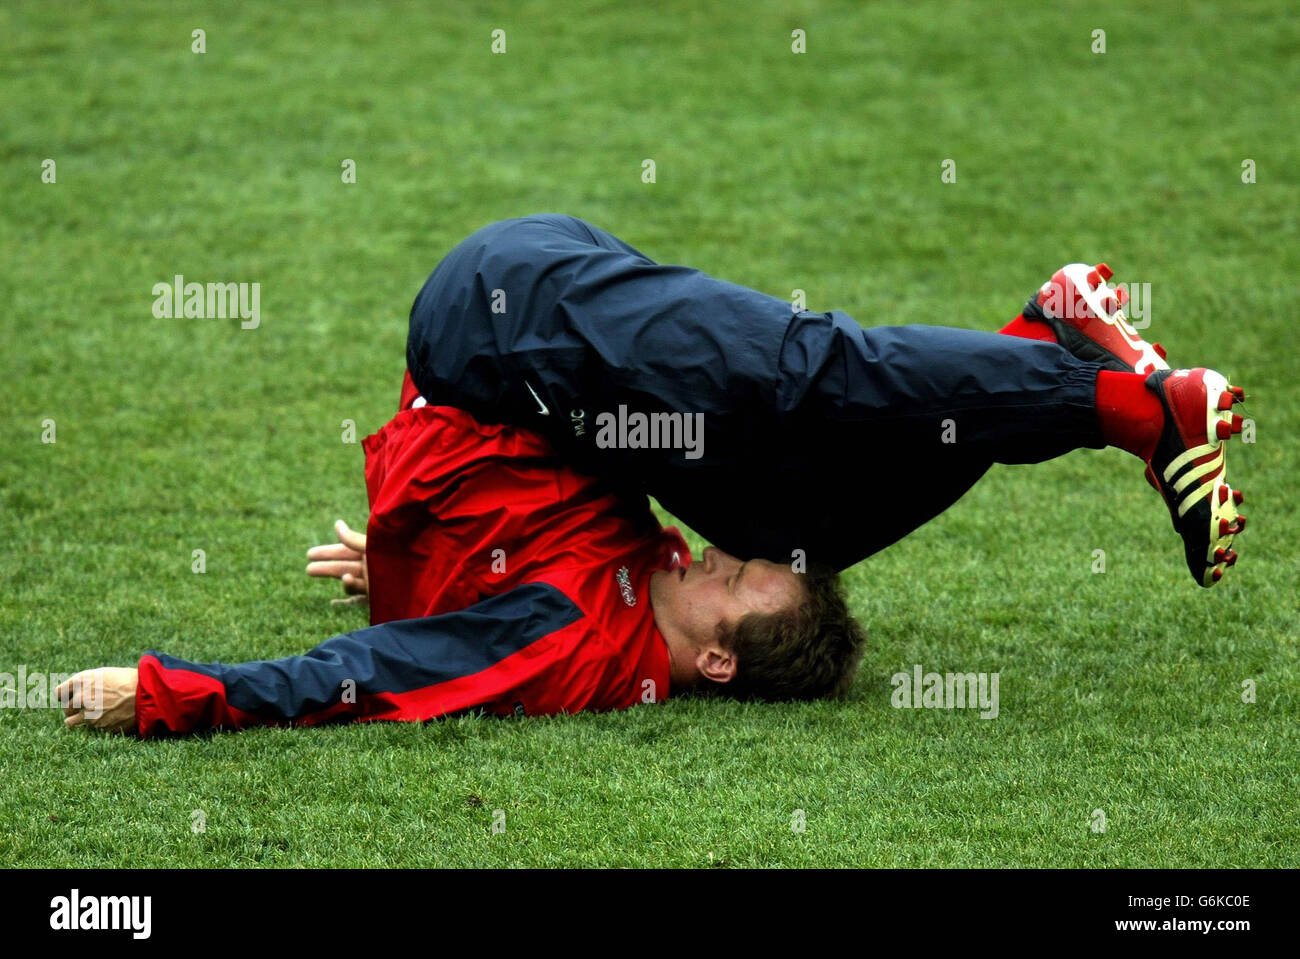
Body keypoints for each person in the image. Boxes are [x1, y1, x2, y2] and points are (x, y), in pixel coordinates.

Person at [59, 214, 1247, 735]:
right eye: (741, 562)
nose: (717, 552)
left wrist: (167, 692)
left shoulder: (572, 641)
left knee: (804, 375)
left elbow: (367, 672)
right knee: (804, 433)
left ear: (716, 656)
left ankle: (1063, 359)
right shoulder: (648, 578)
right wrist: (419, 554)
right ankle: (1096, 389)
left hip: (503, 329)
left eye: (735, 578)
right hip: (534, 346)